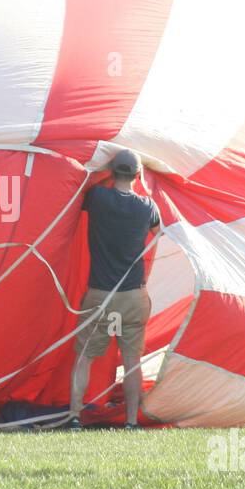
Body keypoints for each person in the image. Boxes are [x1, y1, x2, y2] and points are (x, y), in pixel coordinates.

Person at [69, 149, 161, 429]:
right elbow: (159, 232)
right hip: (133, 296)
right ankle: (131, 422)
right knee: (132, 361)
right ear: (137, 175)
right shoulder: (147, 207)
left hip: (100, 296)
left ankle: (74, 416)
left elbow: (86, 184)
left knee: (85, 356)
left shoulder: (98, 198)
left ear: (111, 171)